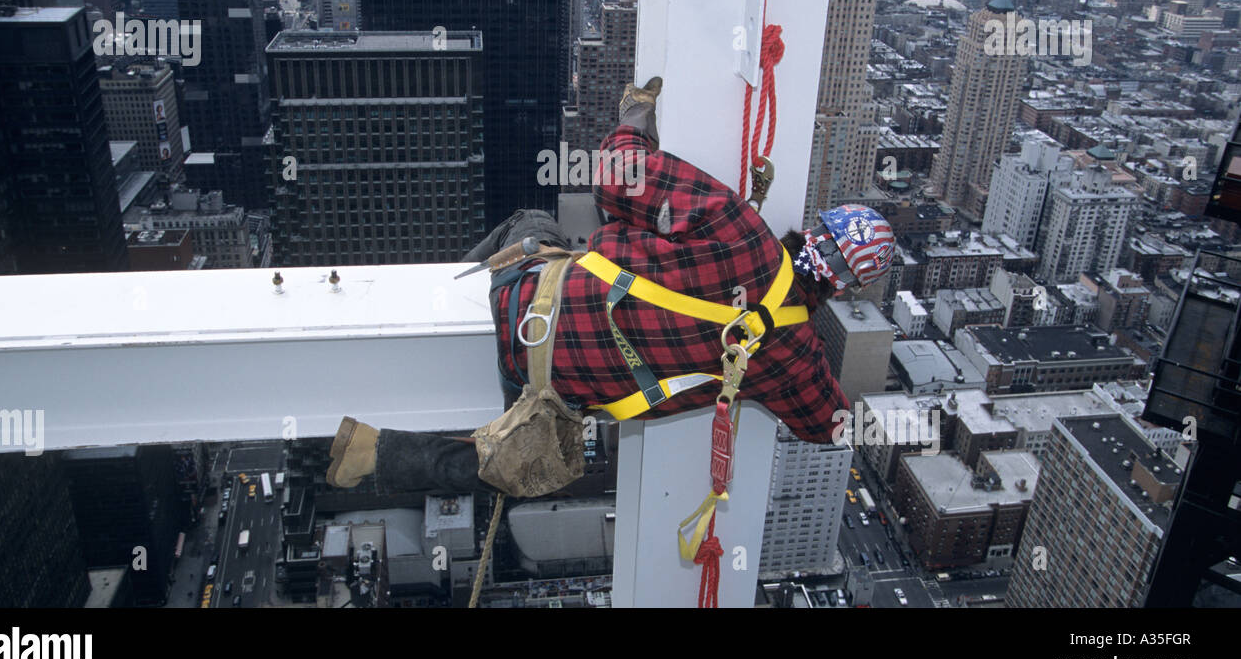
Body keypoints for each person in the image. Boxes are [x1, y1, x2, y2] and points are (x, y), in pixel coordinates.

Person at [326, 78, 894, 495]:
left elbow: (618, 176)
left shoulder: (739, 226)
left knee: (529, 222)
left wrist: (635, 118)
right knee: (509, 465)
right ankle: (375, 456)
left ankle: (448, 291)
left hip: (523, 300)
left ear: (816, 226)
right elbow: (831, 426)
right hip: (542, 390)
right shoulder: (794, 359)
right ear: (846, 290)